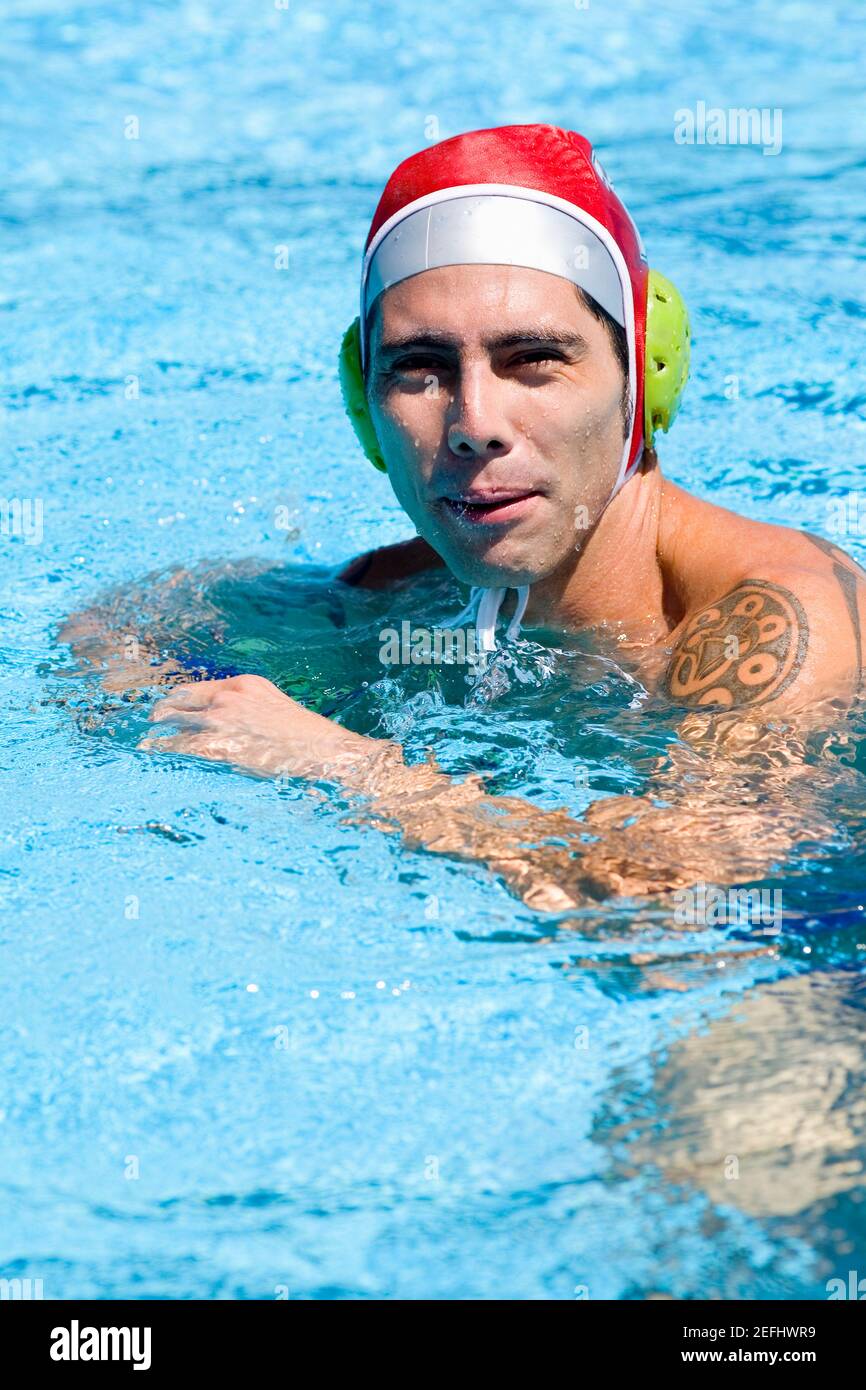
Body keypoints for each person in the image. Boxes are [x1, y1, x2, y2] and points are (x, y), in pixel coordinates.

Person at [67, 125, 866, 910]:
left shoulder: (775, 624)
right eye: (420, 369)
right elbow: (119, 623)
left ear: (641, 380)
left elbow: (668, 894)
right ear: (364, 404)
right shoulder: (406, 593)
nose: (472, 421)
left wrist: (349, 768)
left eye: (533, 362)